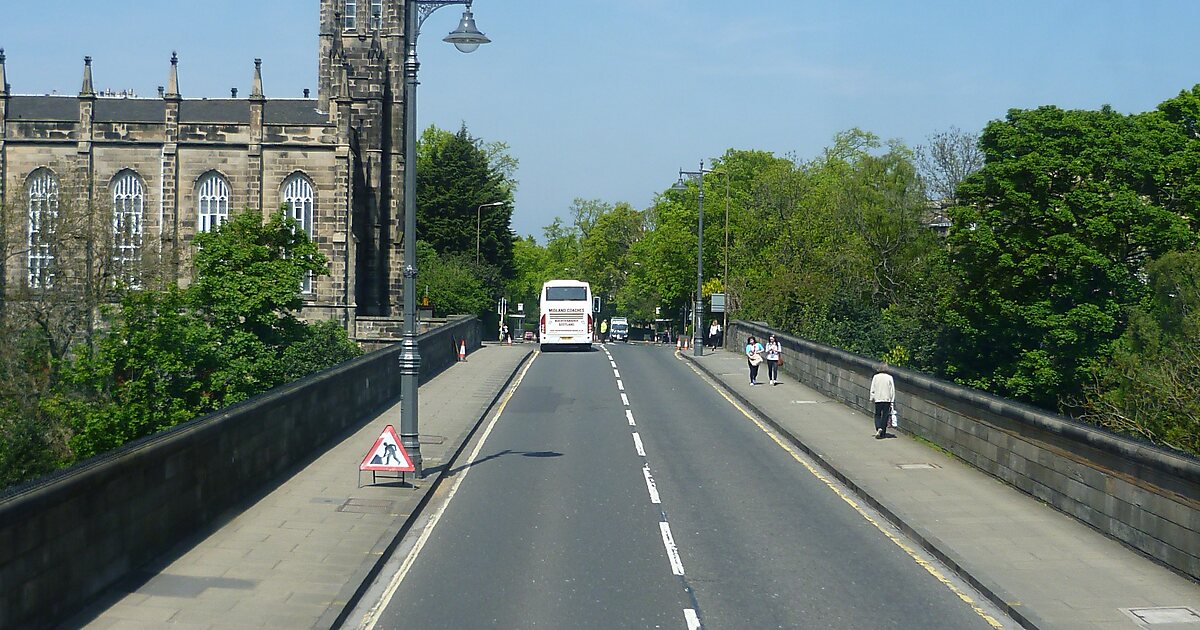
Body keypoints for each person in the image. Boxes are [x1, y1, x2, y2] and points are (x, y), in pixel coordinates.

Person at [869, 364, 896, 439]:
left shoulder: (875, 377)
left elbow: (872, 388)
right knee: (885, 415)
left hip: (878, 398)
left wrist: (871, 398)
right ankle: (883, 432)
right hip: (887, 399)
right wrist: (892, 400)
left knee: (877, 414)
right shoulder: (889, 377)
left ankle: (878, 427)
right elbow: (892, 390)